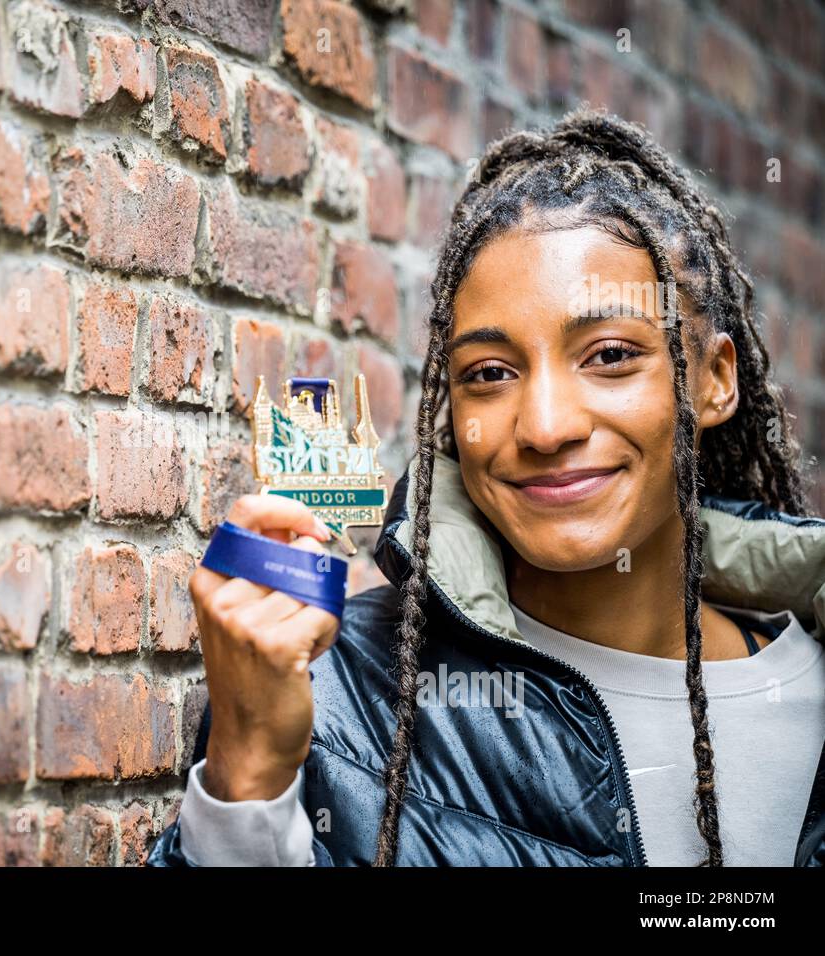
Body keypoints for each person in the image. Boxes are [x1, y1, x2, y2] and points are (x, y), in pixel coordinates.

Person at [146, 107, 825, 867]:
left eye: (607, 356)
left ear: (716, 380)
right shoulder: (337, 695)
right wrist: (247, 772)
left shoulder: (814, 697)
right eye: (491, 373)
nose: (543, 427)